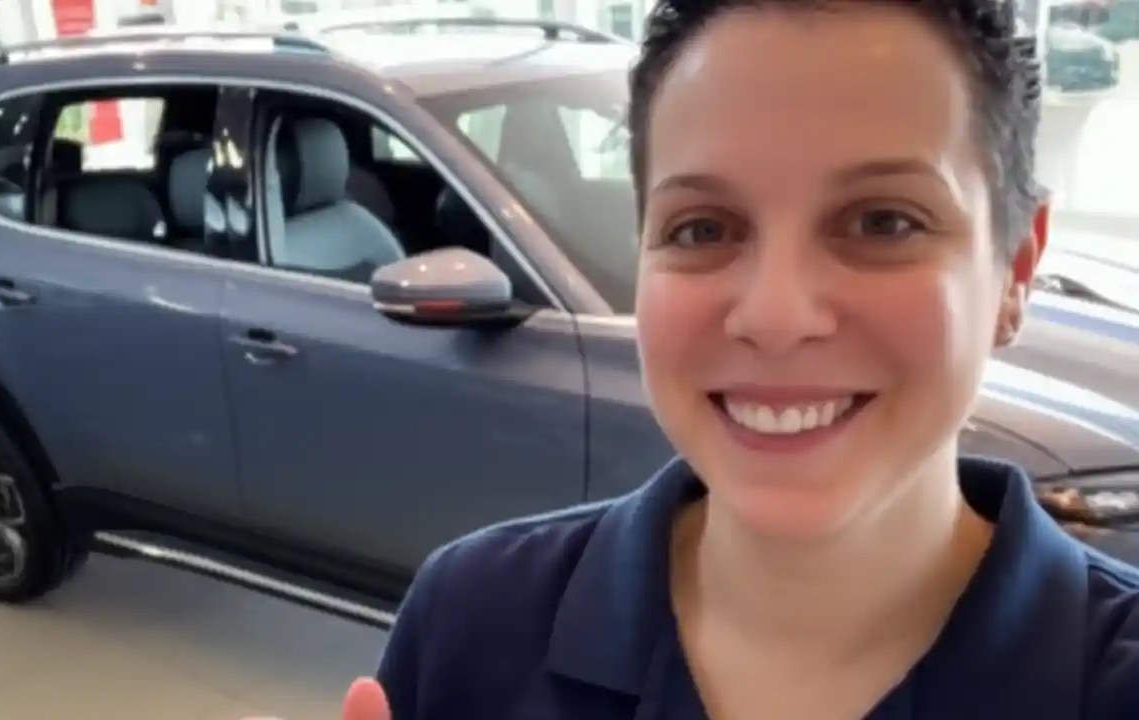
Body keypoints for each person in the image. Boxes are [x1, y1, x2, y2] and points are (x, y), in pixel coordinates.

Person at [332, 0, 1139, 718]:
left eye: (883, 222)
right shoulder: (473, 623)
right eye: (703, 229)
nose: (776, 316)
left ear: (1017, 270)